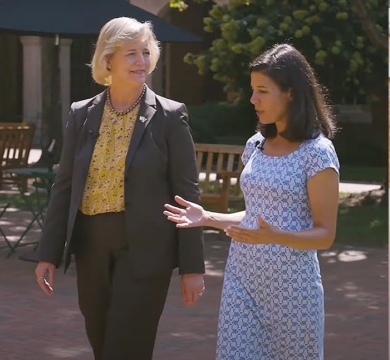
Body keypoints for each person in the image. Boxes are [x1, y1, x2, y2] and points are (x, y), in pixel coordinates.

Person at [33, 17, 205, 360]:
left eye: (146, 52)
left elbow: (188, 192)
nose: (141, 61)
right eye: (131, 53)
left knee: (126, 347)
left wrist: (192, 266)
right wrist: (48, 253)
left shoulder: (171, 116)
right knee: (102, 344)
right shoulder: (81, 114)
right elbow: (64, 185)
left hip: (145, 250)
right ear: (108, 60)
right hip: (91, 246)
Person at [163, 44, 340, 359]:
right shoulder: (255, 145)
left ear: (290, 93)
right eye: (252, 90)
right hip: (242, 281)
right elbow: (255, 215)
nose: (252, 99)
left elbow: (325, 234)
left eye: (262, 91)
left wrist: (275, 237)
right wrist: (208, 217)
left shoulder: (318, 152)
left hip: (293, 291)